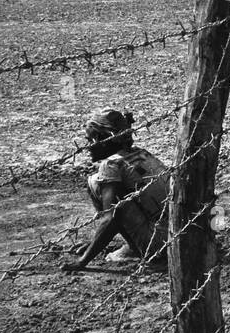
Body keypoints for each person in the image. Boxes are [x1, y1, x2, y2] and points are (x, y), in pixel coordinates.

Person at [62, 107, 170, 272]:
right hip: (176, 235)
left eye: (90, 140)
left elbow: (111, 219)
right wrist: (94, 244)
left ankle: (136, 249)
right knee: (123, 195)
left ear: (100, 138)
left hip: (157, 247)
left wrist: (83, 261)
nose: (88, 147)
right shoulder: (141, 153)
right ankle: (133, 244)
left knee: (95, 183)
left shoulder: (111, 164)